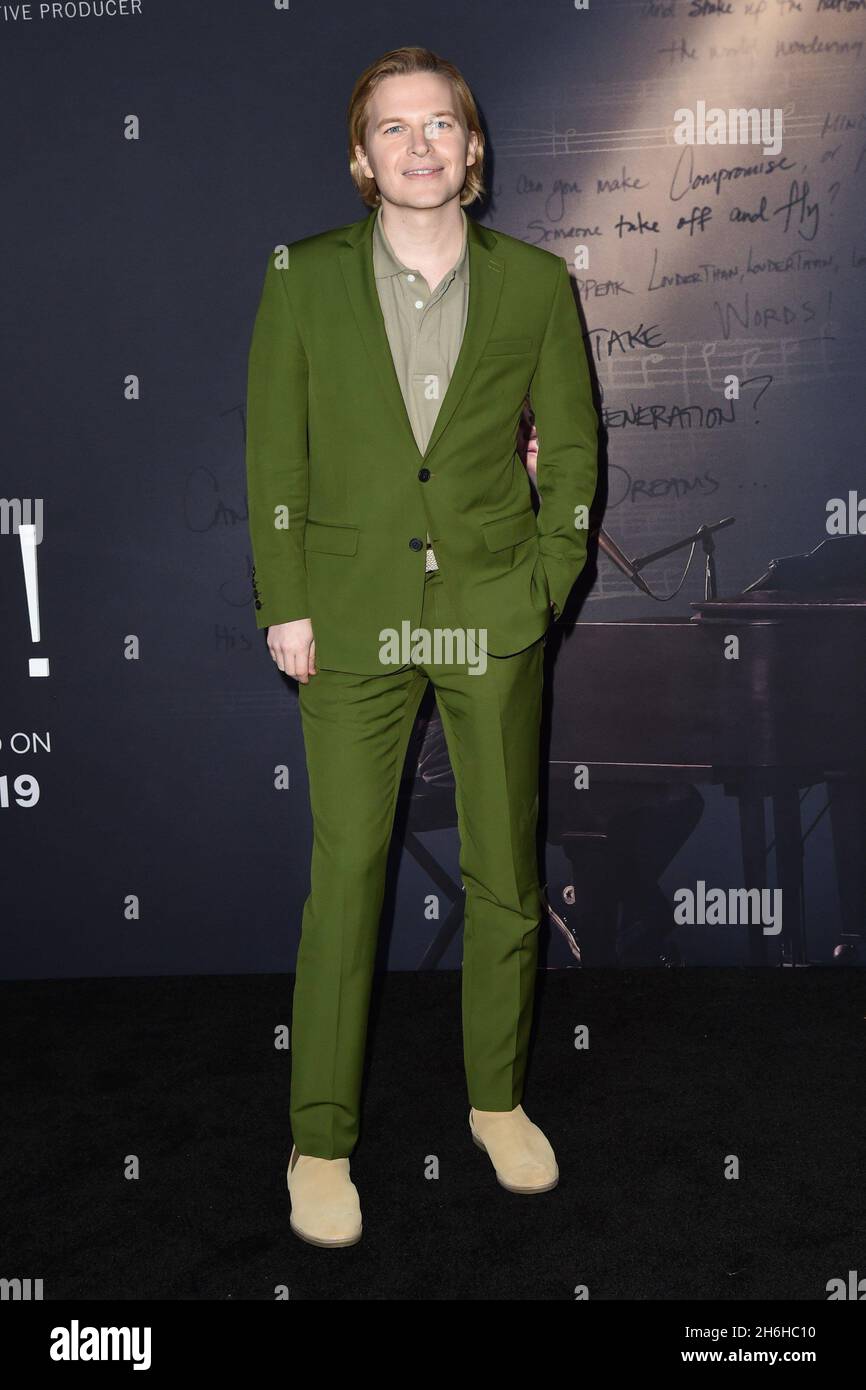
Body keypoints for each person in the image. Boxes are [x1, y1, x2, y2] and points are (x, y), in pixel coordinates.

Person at [245, 45, 599, 1247]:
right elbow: (274, 456)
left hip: (494, 612)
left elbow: (576, 458)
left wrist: (547, 579)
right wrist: (283, 600)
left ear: (471, 148)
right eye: (391, 128)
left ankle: (497, 1100)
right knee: (346, 879)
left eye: (437, 125)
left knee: (505, 871)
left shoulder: (540, 284)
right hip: (345, 616)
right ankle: (321, 1135)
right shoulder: (299, 277)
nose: (417, 145)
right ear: (361, 157)